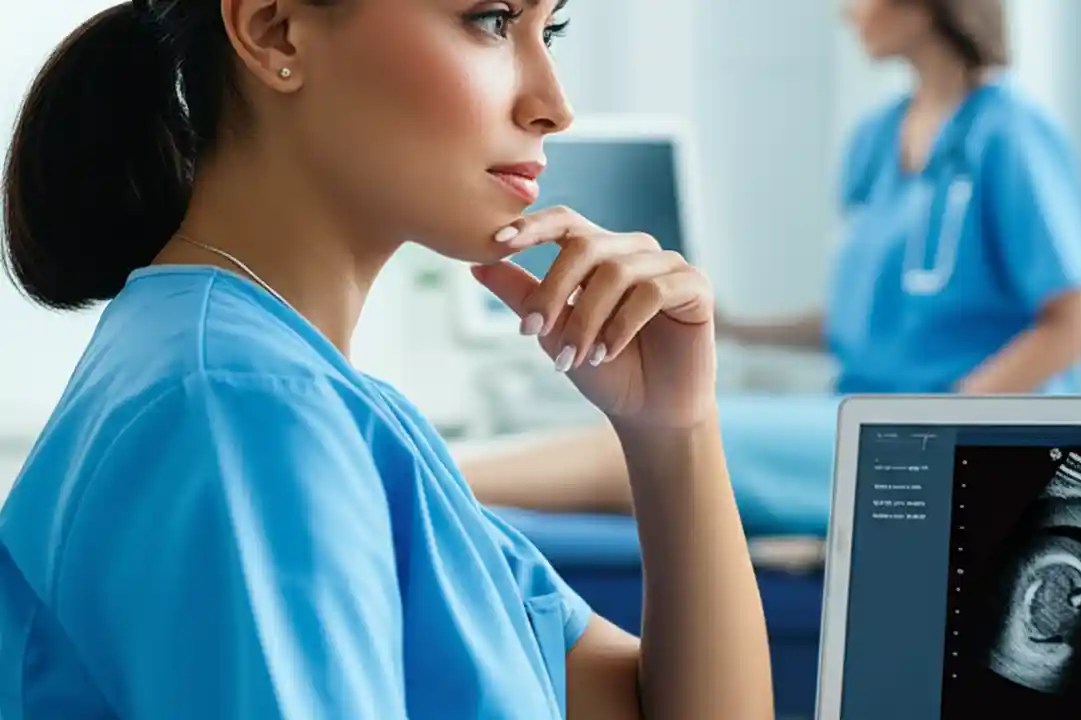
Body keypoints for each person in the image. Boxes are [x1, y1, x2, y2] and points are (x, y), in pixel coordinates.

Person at [0, 1, 773, 718]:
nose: (554, 105)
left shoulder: (319, 402)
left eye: (553, 31)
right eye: (492, 19)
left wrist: (674, 432)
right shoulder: (249, 407)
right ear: (276, 31)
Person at [461, 0, 1081, 534]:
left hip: (959, 440)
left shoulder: (1011, 133)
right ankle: (439, 471)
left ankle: (433, 476)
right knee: (676, 422)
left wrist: (936, 423)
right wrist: (733, 325)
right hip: (863, 411)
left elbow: (1076, 325)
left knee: (694, 441)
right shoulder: (879, 138)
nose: (847, 13)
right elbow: (870, 319)